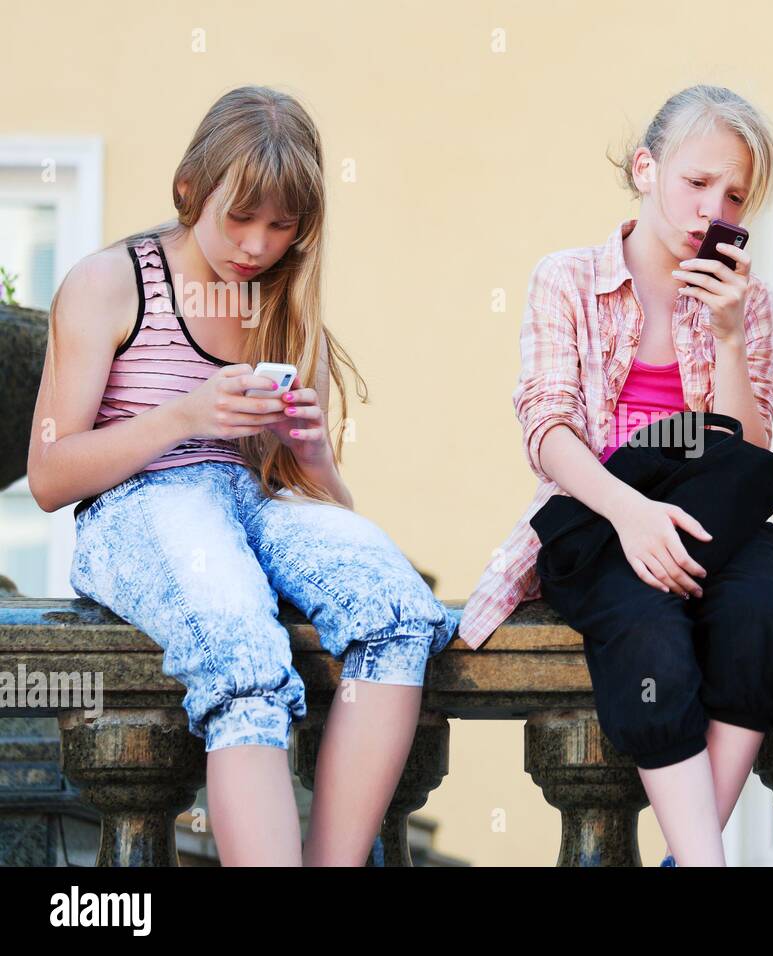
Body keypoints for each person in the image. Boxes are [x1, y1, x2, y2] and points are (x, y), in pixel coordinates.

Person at [26, 86, 455, 866]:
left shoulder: (290, 313)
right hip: (140, 508)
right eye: (240, 216)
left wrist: (316, 454)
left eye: (282, 224)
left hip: (259, 510)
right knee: (244, 654)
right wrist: (183, 418)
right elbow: (51, 476)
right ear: (189, 189)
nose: (256, 244)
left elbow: (326, 507)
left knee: (396, 611)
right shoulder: (111, 283)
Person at [460, 85, 773, 866]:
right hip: (600, 515)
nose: (711, 210)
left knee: (760, 616)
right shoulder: (568, 278)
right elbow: (546, 428)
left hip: (714, 517)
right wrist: (631, 513)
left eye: (733, 196)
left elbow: (753, 459)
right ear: (646, 168)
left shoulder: (741, 302)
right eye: (696, 183)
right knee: (647, 632)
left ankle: (688, 858)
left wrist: (724, 336)